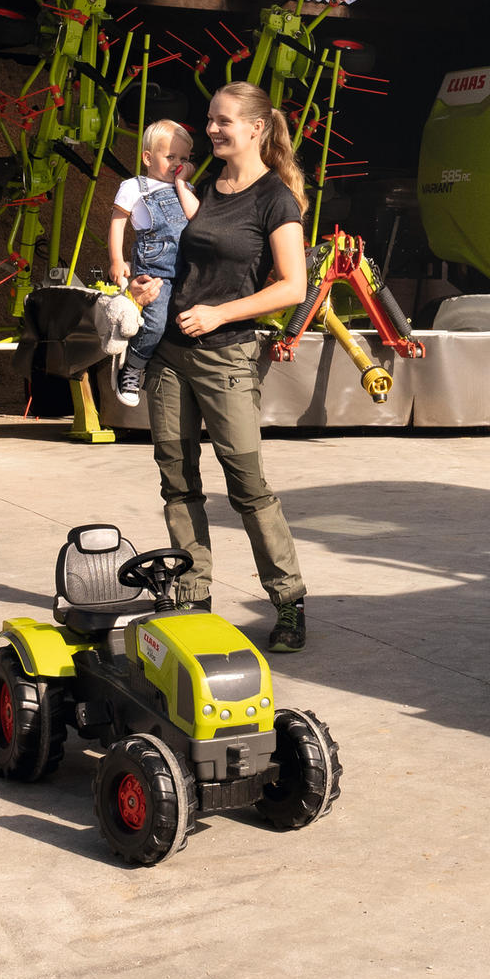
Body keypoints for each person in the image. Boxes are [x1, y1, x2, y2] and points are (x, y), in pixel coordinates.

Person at [153, 80, 315, 652]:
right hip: (173, 352)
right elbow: (203, 257)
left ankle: (289, 601)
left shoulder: (277, 198)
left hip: (226, 357)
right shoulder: (208, 185)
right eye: (211, 120)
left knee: (247, 485)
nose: (214, 129)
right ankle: (192, 596)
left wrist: (219, 315)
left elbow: (293, 287)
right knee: (177, 481)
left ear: (256, 127)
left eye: (225, 121)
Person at [103, 118, 193, 414]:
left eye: (184, 159)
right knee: (154, 322)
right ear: (147, 157)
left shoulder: (187, 188)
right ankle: (132, 368)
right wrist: (117, 259)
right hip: (154, 269)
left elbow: (198, 220)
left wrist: (182, 185)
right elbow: (118, 223)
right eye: (171, 157)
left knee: (181, 324)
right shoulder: (133, 187)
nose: (177, 164)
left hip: (186, 267)